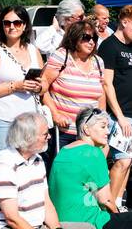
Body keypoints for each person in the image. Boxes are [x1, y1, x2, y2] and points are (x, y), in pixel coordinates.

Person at [97, 5, 132, 209]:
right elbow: (107, 84)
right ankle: (108, 204)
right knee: (121, 161)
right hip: (119, 115)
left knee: (129, 162)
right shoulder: (109, 46)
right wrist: (119, 116)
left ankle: (117, 201)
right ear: (124, 21)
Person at [0, 5, 46, 158]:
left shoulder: (33, 51)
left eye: (17, 23)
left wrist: (38, 86)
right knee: (5, 170)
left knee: (27, 170)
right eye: (7, 23)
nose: (11, 27)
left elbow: (45, 84)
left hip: (30, 122)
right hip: (3, 120)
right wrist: (15, 86)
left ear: (25, 25)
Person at [41, 17, 107, 147]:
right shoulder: (61, 56)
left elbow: (101, 94)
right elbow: (43, 88)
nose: (91, 42)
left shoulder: (98, 62)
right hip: (64, 131)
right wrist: (56, 115)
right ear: (75, 38)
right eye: (86, 37)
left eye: (94, 38)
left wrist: (102, 120)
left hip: (89, 134)